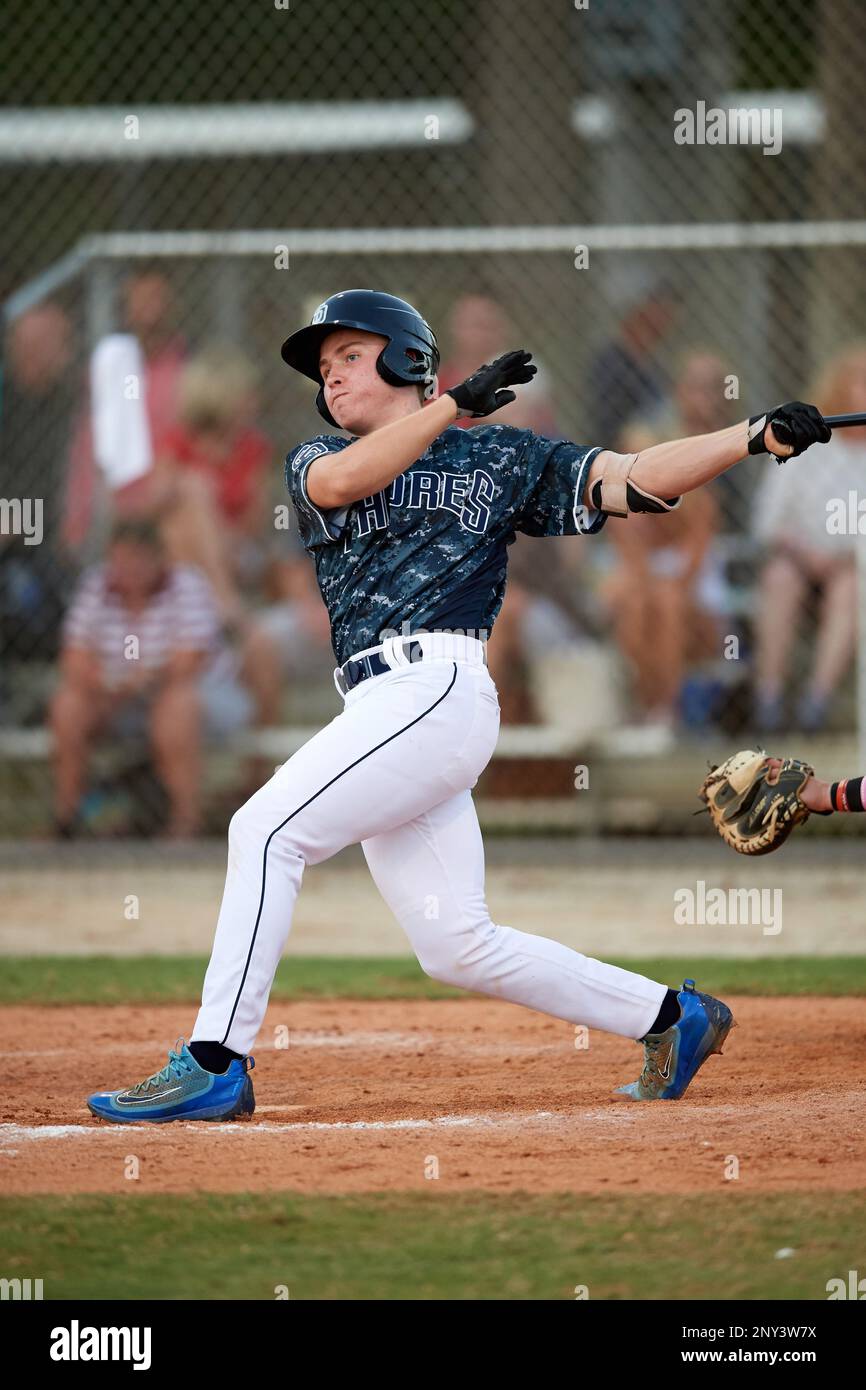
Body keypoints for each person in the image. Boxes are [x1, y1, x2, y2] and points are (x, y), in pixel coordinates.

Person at [85, 289, 831, 1123]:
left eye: (349, 358)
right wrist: (449, 408)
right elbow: (344, 480)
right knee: (455, 945)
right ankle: (673, 1017)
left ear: (406, 358)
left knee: (263, 831)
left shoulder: (501, 458)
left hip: (435, 686)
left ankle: (216, 1061)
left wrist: (750, 436)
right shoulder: (315, 459)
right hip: (383, 705)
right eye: (322, 369)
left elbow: (632, 481)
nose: (330, 379)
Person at [51, 519, 256, 839]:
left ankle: (185, 824)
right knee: (68, 705)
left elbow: (189, 661)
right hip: (117, 697)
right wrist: (106, 681)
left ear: (159, 558)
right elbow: (73, 656)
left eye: (137, 560)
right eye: (120, 560)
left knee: (176, 705)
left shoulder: (186, 583)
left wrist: (142, 678)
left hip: (199, 695)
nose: (127, 569)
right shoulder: (97, 583)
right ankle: (66, 822)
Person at [601, 351, 735, 731]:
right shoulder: (629, 500)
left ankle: (662, 710)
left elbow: (693, 563)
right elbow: (627, 545)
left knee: (669, 601)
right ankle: (647, 708)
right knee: (636, 600)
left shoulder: (710, 477)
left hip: (697, 594)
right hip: (646, 584)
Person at [752, 343, 866, 733]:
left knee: (851, 587)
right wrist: (806, 552)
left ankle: (817, 702)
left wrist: (845, 556)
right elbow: (768, 521)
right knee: (779, 579)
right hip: (799, 560)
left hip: (852, 566)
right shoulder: (806, 444)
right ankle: (768, 698)